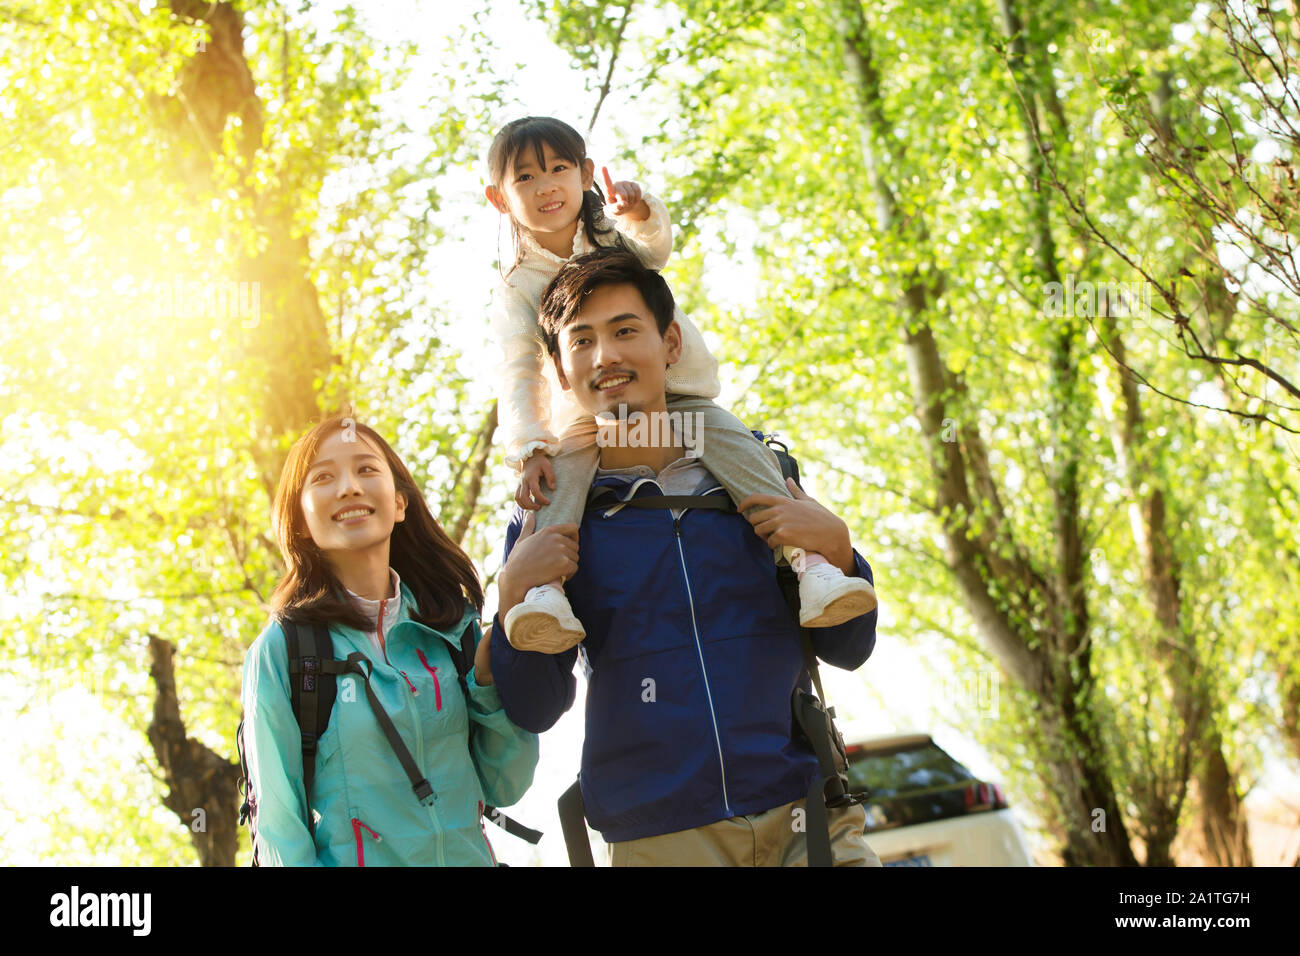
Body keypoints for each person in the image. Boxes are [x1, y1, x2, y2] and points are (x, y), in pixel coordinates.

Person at [489, 250, 882, 866]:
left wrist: (840, 550)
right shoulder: (546, 515)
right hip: (660, 835)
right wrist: (511, 593)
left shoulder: (756, 475)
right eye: (582, 341)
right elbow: (534, 707)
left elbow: (848, 648)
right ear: (562, 373)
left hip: (807, 815)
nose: (606, 356)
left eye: (625, 331)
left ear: (670, 343)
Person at [484, 116, 876, 653]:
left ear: (584, 175)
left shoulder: (606, 235)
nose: (547, 185)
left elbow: (653, 250)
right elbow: (518, 369)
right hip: (586, 413)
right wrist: (529, 446)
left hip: (680, 391)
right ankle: (544, 591)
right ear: (499, 198)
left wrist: (640, 210)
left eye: (559, 168)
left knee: (741, 449)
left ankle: (811, 565)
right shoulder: (518, 287)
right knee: (562, 480)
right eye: (525, 178)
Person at [240, 415, 538, 866]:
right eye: (323, 477)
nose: (348, 487)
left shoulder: (453, 629)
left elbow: (507, 784)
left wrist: (486, 681)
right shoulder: (284, 652)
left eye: (366, 469)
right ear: (299, 520)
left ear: (399, 503)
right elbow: (280, 832)